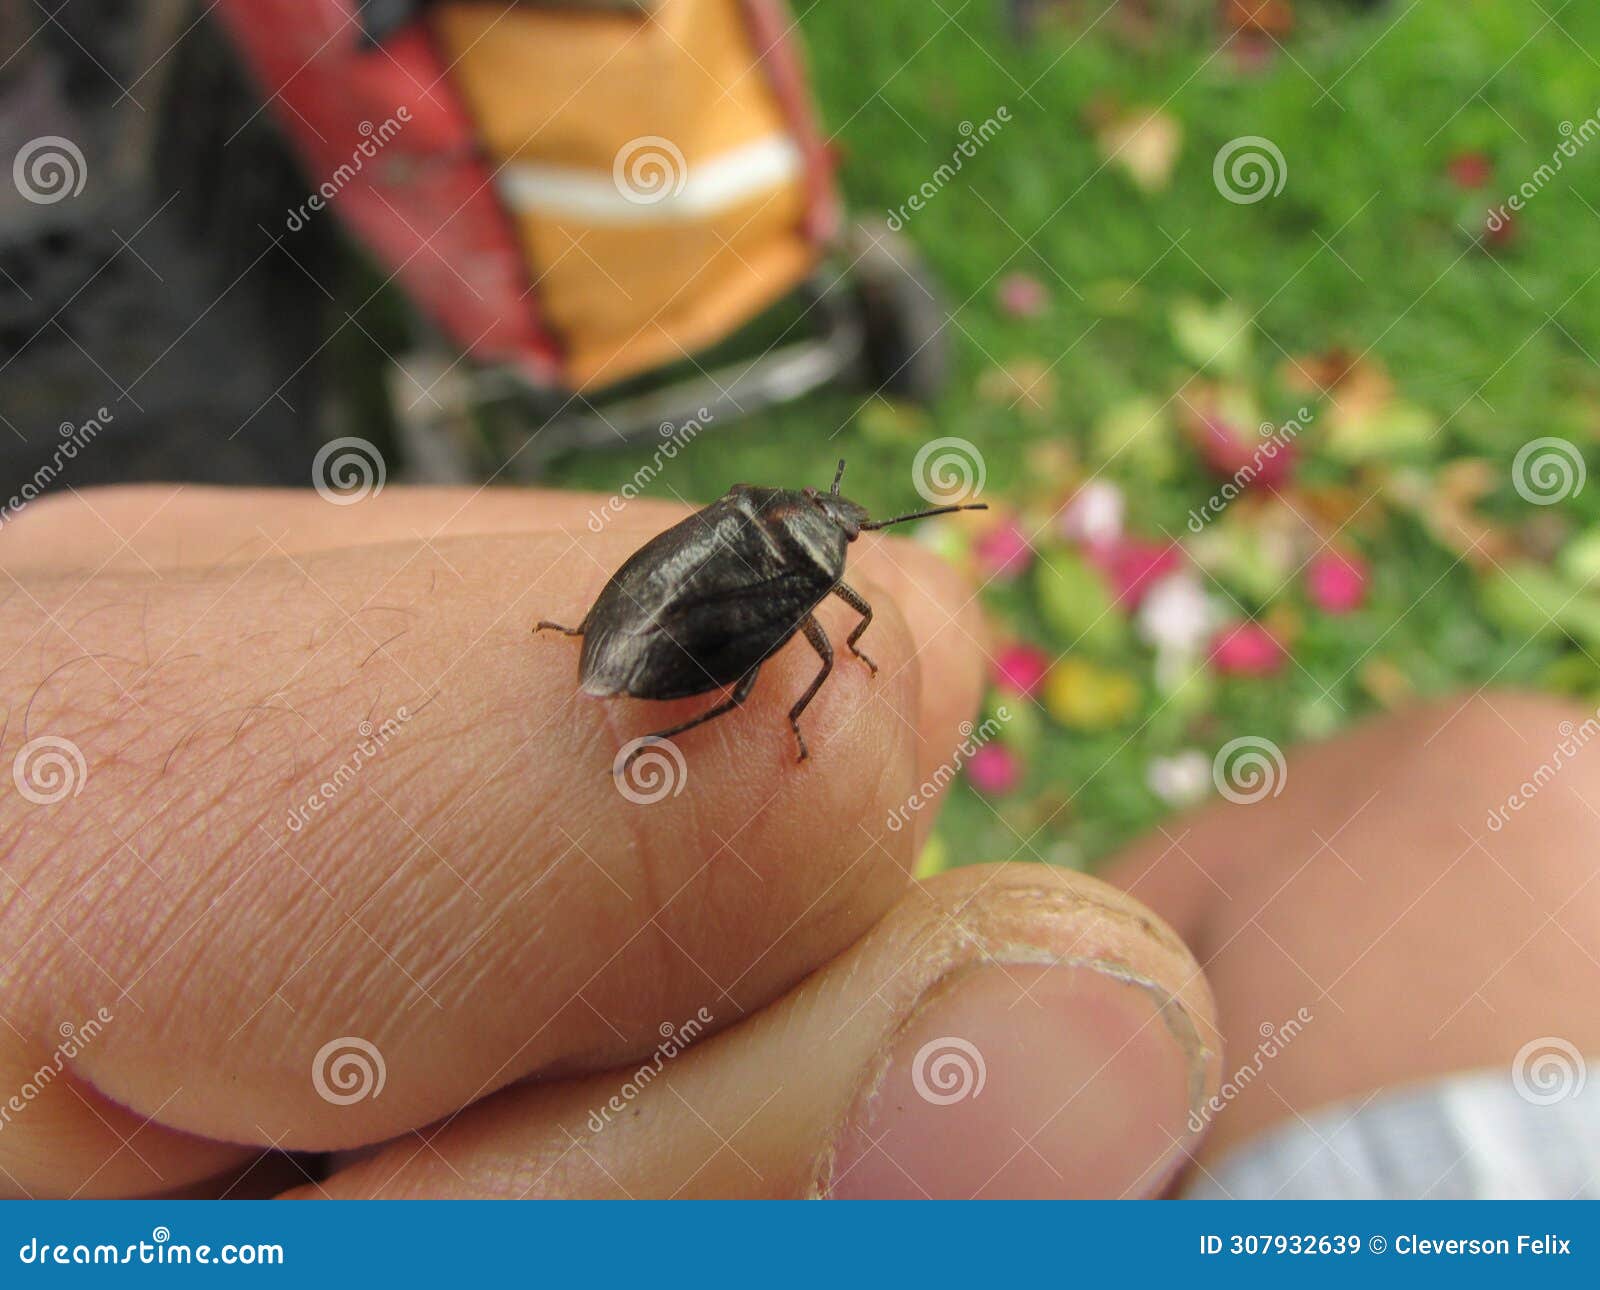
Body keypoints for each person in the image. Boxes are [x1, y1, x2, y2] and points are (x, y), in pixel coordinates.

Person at [1, 486, 1595, 1199]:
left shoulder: (785, 560)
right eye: (847, 541)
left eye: (841, 543)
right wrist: (744, 711)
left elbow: (733, 599)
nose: (844, 559)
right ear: (830, 547)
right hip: (643, 642)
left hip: (646, 615)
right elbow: (802, 652)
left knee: (1490, 788)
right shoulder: (816, 601)